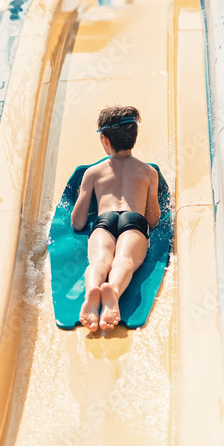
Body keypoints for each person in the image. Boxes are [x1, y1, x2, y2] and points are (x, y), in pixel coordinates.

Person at [72, 106, 160, 332]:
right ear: (134, 137)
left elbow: (78, 222)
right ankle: (113, 292)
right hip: (134, 220)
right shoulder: (148, 172)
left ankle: (92, 292)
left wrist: (83, 196)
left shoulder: (93, 172)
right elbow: (152, 219)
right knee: (125, 260)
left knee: (100, 261)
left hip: (104, 220)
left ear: (105, 139)